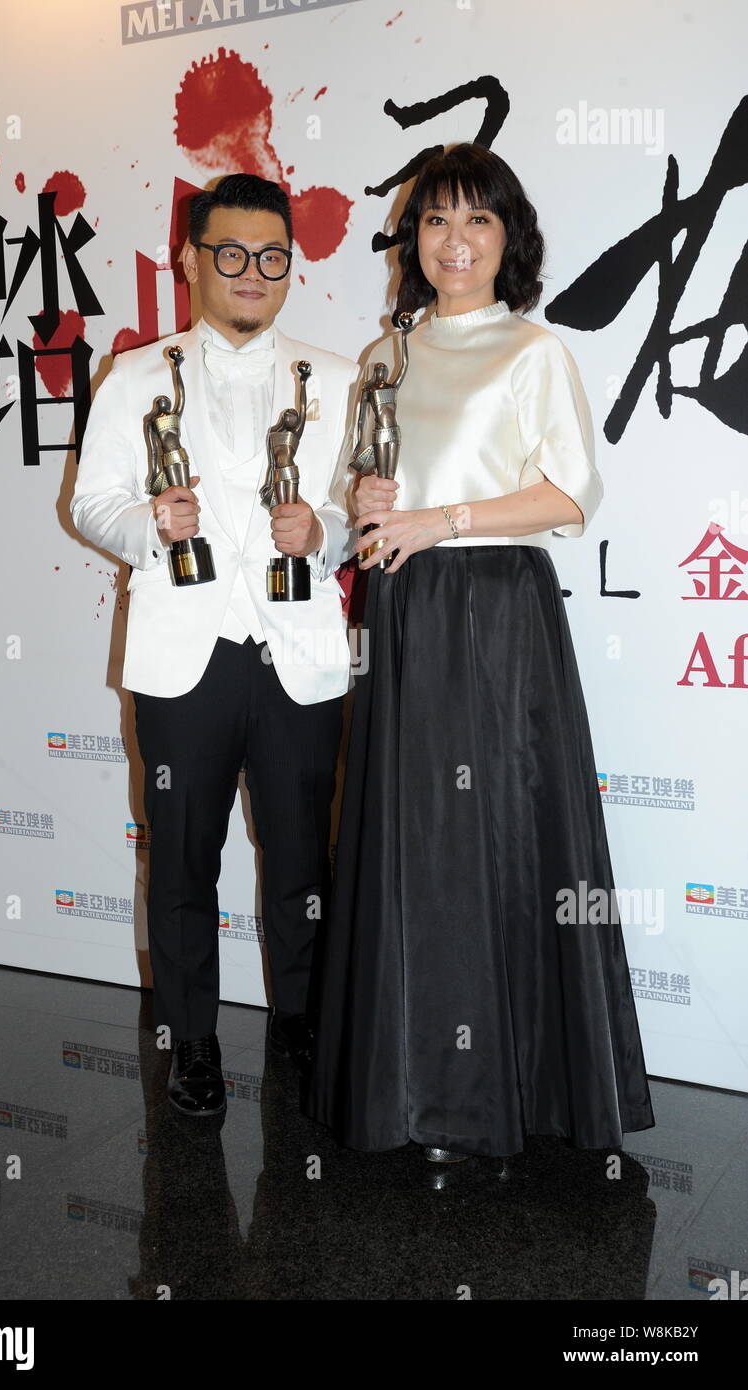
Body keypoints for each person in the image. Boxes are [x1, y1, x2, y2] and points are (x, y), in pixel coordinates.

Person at [304, 143, 655, 1162]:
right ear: (411, 241)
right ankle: (416, 1093)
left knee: (496, 831)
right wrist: (363, 507)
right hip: (404, 610)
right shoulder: (385, 355)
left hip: (496, 610)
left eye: (476, 221)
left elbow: (569, 493)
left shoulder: (531, 349)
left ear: (509, 240)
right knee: (410, 842)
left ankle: (508, 1094)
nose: (453, 242)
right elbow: (355, 497)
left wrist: (441, 519)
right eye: (433, 221)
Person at [71, 174, 358, 1116]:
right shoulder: (136, 376)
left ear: (290, 268)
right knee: (183, 856)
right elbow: (92, 503)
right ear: (191, 260)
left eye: (270, 258)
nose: (250, 273)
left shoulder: (339, 378)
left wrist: (324, 533)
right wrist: (150, 523)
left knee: (300, 859)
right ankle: (191, 1042)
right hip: (183, 657)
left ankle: (302, 1023)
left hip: (298, 654)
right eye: (229, 254)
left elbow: (362, 508)